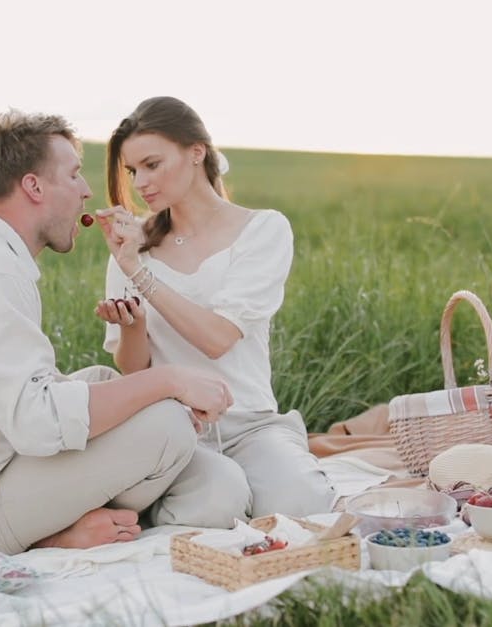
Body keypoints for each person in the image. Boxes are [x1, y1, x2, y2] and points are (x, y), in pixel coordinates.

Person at [0, 109, 235, 555]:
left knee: (103, 382)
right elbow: (37, 423)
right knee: (166, 424)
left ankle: (75, 521)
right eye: (73, 175)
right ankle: (55, 537)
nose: (87, 191)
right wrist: (172, 379)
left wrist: (150, 387)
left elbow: (22, 403)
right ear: (34, 187)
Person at [91, 96, 335, 527]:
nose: (140, 183)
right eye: (132, 171)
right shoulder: (131, 249)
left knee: (303, 506)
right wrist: (134, 325)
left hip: (253, 424)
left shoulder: (263, 229)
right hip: (177, 432)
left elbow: (218, 338)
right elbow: (134, 370)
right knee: (215, 508)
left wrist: (140, 274)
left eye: (152, 164)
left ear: (196, 153)